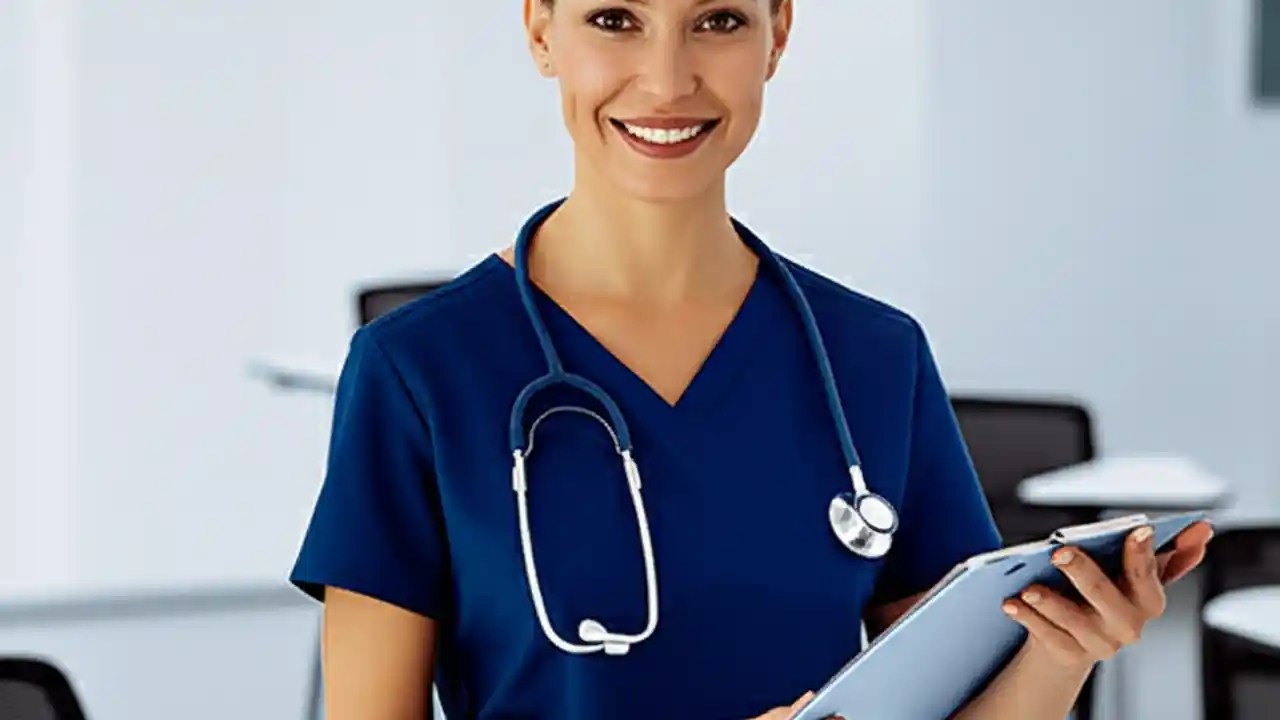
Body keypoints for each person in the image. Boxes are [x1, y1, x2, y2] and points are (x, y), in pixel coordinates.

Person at [288, 1, 1215, 718]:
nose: (666, 77)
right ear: (541, 30)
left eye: (719, 21)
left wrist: (1063, 652)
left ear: (778, 33)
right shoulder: (417, 372)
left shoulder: (874, 359)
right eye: (616, 19)